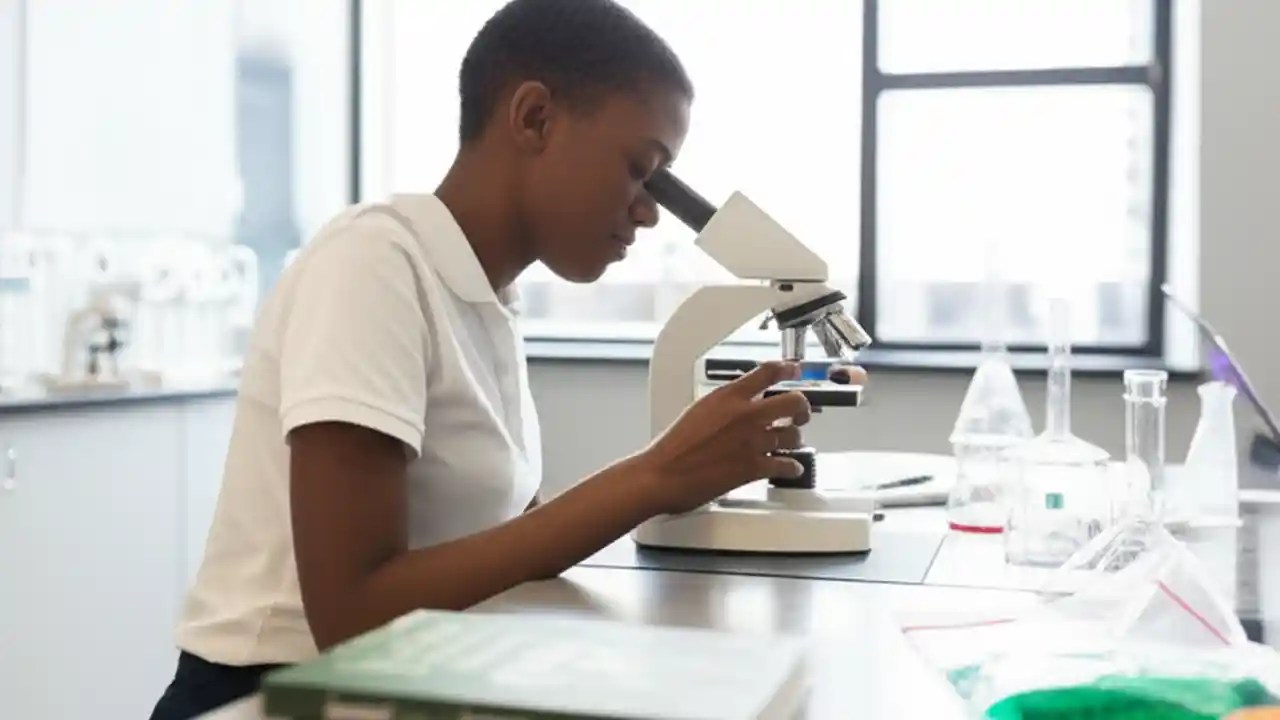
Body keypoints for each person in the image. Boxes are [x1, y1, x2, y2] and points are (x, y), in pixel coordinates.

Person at [149, 0, 866, 717]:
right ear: (534, 118)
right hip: (270, 692)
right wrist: (655, 477)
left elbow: (512, 545)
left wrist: (695, 467)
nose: (649, 211)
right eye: (640, 169)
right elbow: (351, 615)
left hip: (409, 680)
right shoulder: (372, 262)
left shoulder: (486, 299)